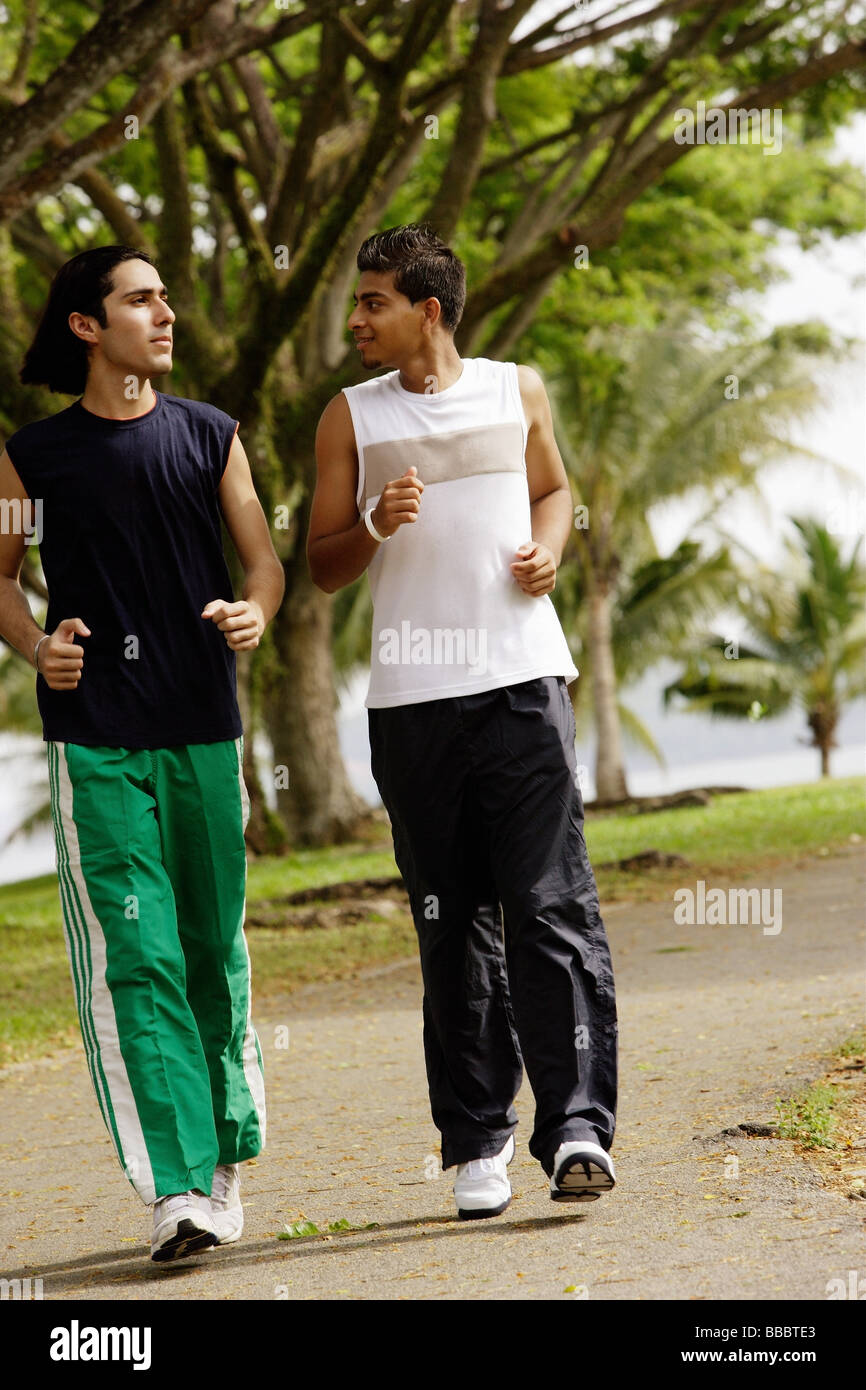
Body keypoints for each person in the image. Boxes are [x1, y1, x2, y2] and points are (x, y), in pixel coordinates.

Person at [308, 224, 618, 1219]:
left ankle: (575, 1126)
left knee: (547, 903)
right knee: (449, 925)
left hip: (523, 683)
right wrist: (371, 524)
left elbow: (553, 490)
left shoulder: (513, 387)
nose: (355, 319)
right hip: (410, 705)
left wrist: (550, 552)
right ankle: (474, 1141)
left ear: (426, 312)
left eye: (372, 302)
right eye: (356, 303)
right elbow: (318, 562)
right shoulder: (347, 417)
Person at [0, 245, 284, 1261]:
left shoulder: (212, 435)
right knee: (141, 955)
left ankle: (224, 1156)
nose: (165, 313)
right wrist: (39, 647)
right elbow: (2, 577)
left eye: (163, 297)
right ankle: (174, 1185)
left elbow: (260, 556)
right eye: (141, 299)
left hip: (203, 731)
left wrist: (253, 609)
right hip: (97, 743)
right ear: (87, 325)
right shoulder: (31, 456)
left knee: (211, 947)